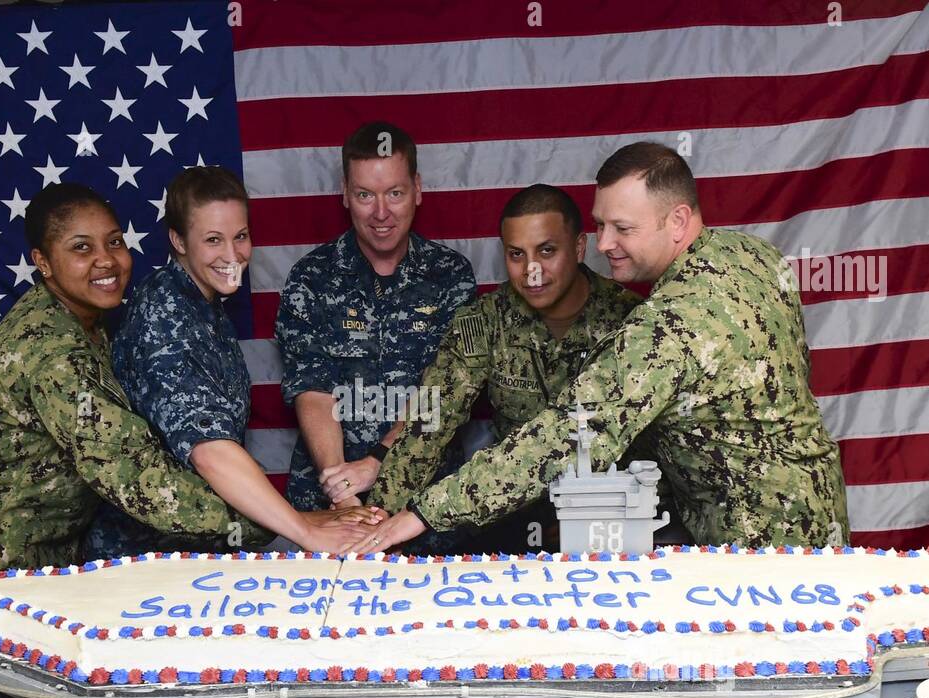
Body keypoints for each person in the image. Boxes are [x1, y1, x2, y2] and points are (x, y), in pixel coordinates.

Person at [352, 142, 849, 553]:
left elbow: (568, 435)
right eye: (601, 223)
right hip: (818, 516)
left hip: (757, 546)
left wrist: (421, 514)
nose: (606, 241)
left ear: (677, 221)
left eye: (624, 229)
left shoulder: (668, 322)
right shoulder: (753, 254)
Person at [0, 183, 267, 572]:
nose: (105, 260)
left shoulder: (90, 321)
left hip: (39, 555)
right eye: (81, 248)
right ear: (43, 262)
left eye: (113, 242)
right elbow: (134, 474)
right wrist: (267, 522)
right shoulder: (52, 352)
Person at [85, 167, 382, 558]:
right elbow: (210, 452)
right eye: (212, 240)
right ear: (178, 240)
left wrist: (308, 519)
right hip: (146, 558)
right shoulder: (164, 315)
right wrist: (308, 532)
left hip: (199, 544)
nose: (232, 256)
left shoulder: (204, 303)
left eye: (240, 236)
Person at [365, 184, 648, 551]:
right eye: (517, 254)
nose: (532, 271)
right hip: (511, 505)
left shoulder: (631, 321)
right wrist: (378, 522)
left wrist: (595, 515)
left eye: (547, 251)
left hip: (616, 513)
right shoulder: (483, 324)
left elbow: (652, 444)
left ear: (579, 248)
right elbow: (428, 425)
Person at [275, 121, 476, 520]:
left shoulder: (451, 276)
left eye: (395, 193)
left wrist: (378, 462)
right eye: (365, 194)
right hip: (329, 506)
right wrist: (342, 491)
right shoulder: (311, 278)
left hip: (426, 506)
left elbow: (446, 389)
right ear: (345, 195)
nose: (381, 212)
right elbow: (312, 388)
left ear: (417, 189)